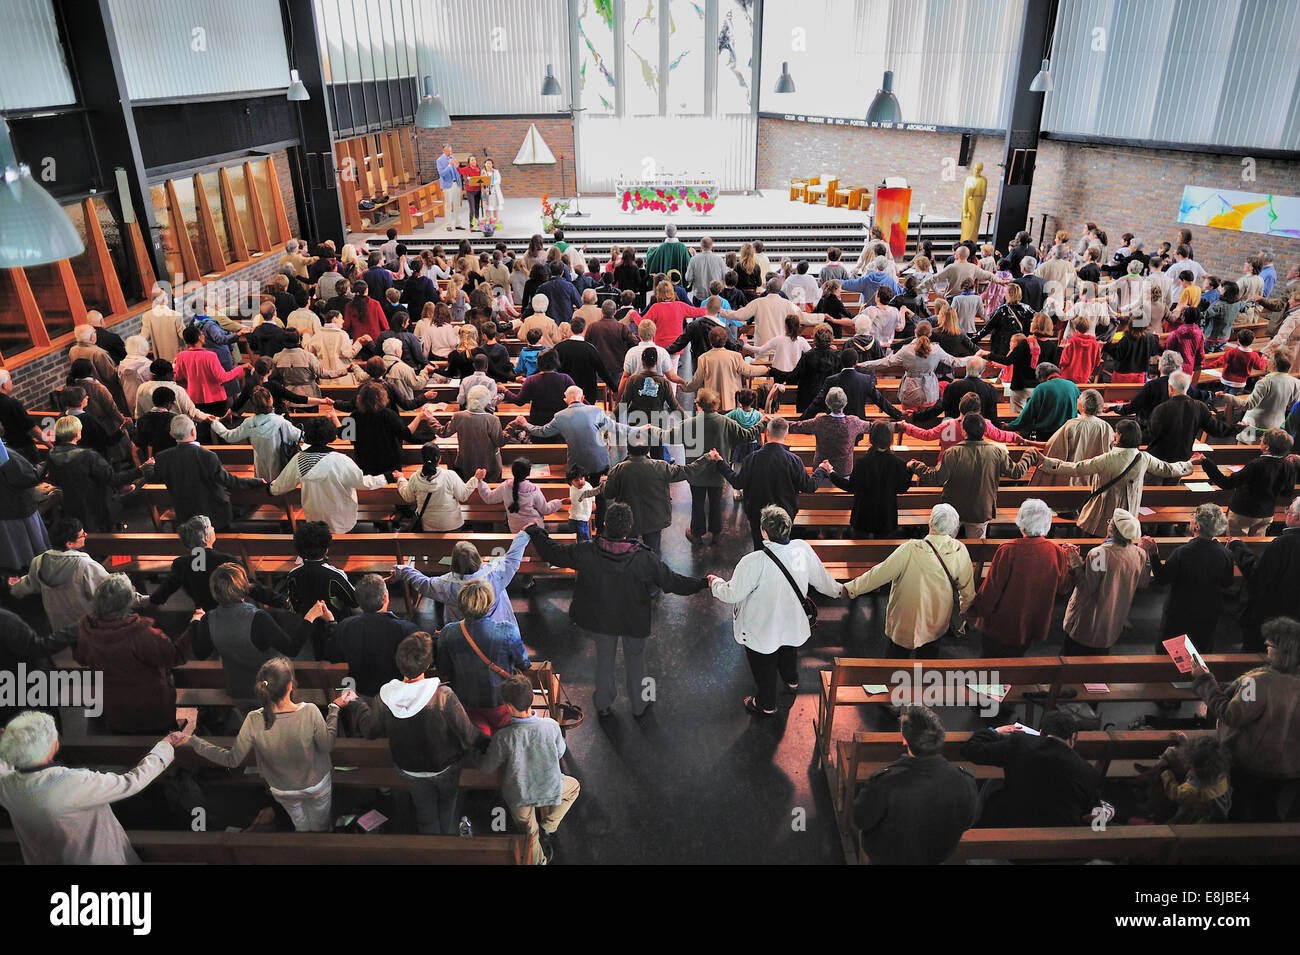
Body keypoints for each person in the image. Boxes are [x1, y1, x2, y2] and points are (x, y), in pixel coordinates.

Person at [525, 502, 704, 718]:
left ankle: (603, 704)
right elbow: (672, 581)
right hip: (633, 619)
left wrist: (535, 530)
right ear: (629, 528)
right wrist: (703, 583)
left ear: (604, 524)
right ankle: (639, 704)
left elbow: (553, 553)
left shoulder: (586, 551)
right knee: (636, 661)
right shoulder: (645, 558)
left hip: (601, 619)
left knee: (604, 661)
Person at [0, 710, 186, 864]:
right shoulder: (72, 782)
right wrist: (165, 746)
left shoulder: (8, 787)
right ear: (53, 745)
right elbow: (133, 782)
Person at [707, 505, 843, 715]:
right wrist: (843, 591)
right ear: (788, 527)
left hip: (763, 627)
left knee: (764, 664)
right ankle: (791, 680)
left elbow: (732, 594)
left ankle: (766, 703)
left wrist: (715, 584)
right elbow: (824, 583)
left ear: (764, 532)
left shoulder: (753, 562)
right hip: (793, 619)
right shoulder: (802, 549)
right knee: (789, 648)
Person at [188, 657, 345, 832]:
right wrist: (334, 709)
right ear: (290, 685)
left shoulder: (253, 719)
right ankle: (321, 843)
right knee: (321, 824)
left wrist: (193, 741)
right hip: (315, 783)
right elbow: (326, 745)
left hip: (282, 788)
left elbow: (231, 760)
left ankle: (304, 838)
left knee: (299, 822)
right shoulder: (309, 711)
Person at [350, 631, 485, 834]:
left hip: (409, 769)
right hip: (445, 766)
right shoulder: (442, 696)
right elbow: (469, 735)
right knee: (448, 803)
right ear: (428, 664)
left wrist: (358, 703)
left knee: (424, 809)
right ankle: (448, 842)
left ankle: (431, 846)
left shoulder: (384, 697)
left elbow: (370, 731)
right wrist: (493, 742)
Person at [1192, 616, 1300, 820]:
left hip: (1252, 764)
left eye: (1271, 643)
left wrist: (1204, 681)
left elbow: (1231, 715)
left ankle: (1238, 847)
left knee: (1240, 810)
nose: (1266, 645)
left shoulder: (1256, 683)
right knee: (1268, 810)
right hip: (1289, 767)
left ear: (1282, 651)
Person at [851, 705, 978, 865]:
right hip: (936, 856)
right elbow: (967, 822)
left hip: (889, 858)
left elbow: (860, 819)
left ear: (905, 740)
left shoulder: (885, 782)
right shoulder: (964, 780)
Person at [845, 504, 975, 658]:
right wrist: (965, 615)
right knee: (926, 671)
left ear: (930, 523)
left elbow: (878, 575)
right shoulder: (960, 550)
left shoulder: (910, 549)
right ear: (954, 529)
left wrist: (850, 588)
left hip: (905, 623)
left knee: (893, 668)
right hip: (937, 620)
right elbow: (967, 591)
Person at [479, 674, 580, 865]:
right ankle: (548, 827)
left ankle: (540, 860)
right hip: (549, 787)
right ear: (531, 699)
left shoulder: (503, 737)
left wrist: (478, 752)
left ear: (508, 707)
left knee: (529, 834)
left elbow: (487, 767)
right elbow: (559, 752)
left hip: (520, 795)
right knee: (573, 787)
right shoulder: (550, 725)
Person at [1038, 418, 1194, 536]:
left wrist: (1047, 463)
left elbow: (1076, 469)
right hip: (1128, 514)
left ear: (1119, 437)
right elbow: (1168, 469)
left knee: (1097, 543)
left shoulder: (1107, 459)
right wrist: (1188, 464)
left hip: (1103, 513)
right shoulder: (1143, 458)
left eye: (1116, 432)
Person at [74, 574, 186, 733]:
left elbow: (81, 658)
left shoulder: (87, 630)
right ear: (127, 602)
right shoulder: (141, 633)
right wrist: (194, 625)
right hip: (153, 713)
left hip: (114, 710)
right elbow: (174, 656)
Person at [651, 388, 764, 545]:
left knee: (697, 504)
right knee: (716, 503)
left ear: (699, 405)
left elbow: (668, 436)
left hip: (696, 473)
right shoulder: (726, 422)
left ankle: (696, 534)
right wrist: (763, 423)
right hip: (718, 473)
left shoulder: (689, 424)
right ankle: (716, 533)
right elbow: (748, 435)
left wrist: (652, 430)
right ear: (716, 405)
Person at [187, 562, 312, 701]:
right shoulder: (258, 618)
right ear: (243, 586)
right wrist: (309, 618)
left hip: (239, 692)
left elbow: (200, 653)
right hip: (271, 692)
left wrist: (196, 622)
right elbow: (291, 648)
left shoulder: (208, 619)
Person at [968, 499, 1076, 657]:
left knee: (990, 665)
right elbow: (1063, 587)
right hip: (1030, 624)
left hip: (1001, 623)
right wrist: (1071, 564)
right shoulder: (1057, 551)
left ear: (1021, 522)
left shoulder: (1008, 549)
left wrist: (975, 611)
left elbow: (992, 589)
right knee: (1015, 662)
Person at [960, 711, 1102, 828]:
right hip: (1059, 846)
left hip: (1015, 829)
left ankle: (975, 826)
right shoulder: (1088, 772)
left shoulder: (1019, 744)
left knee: (992, 786)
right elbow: (1093, 815)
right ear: (1073, 737)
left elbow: (971, 749)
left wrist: (995, 732)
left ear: (1040, 733)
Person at [909, 414, 1040, 539]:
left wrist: (915, 465)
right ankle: (974, 562)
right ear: (983, 432)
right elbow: (1017, 472)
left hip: (953, 509)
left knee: (945, 543)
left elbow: (936, 478)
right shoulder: (996, 452)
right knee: (977, 547)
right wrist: (1028, 454)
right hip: (980, 509)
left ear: (964, 431)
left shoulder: (952, 452)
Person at [710, 416, 830, 550]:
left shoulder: (752, 458)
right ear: (786, 435)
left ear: (767, 433)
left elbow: (737, 483)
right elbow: (809, 486)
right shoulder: (794, 460)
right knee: (782, 548)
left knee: (760, 549)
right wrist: (821, 470)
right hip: (785, 514)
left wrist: (720, 462)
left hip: (758, 515)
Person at [434, 579, 530, 734]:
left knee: (479, 739)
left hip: (465, 701)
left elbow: (444, 668)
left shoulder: (448, 632)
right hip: (500, 701)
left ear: (461, 603)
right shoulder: (507, 631)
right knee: (503, 735)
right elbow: (524, 664)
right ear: (489, 604)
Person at [271, 416, 391, 535]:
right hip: (342, 520)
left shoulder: (299, 459)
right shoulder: (341, 460)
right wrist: (387, 477)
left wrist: (268, 487)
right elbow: (362, 483)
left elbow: (280, 485)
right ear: (331, 435)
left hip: (315, 520)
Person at [1059, 508, 1153, 655]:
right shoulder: (1139, 553)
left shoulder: (1100, 554)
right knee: (1098, 667)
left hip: (1088, 622)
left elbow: (1086, 588)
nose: (1108, 523)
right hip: (1112, 622)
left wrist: (1074, 561)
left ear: (1112, 530)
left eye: (1110, 522)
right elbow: (1143, 582)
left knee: (1072, 661)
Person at [150, 415, 267, 530]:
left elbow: (154, 477)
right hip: (214, 515)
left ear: (172, 434)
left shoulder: (162, 458)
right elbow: (228, 481)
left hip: (185, 515)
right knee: (250, 503)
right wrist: (255, 482)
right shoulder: (207, 456)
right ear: (193, 432)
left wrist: (147, 468)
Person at [1145, 504, 1235, 652]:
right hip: (1208, 611)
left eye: (1193, 517)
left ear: (1197, 527)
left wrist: (1154, 553)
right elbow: (1227, 582)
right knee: (1200, 649)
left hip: (1181, 611)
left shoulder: (1182, 552)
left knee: (1171, 652)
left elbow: (1162, 578)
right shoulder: (1226, 553)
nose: (1191, 519)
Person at [149, 514, 280, 612]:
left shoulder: (181, 564)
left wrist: (149, 599)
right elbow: (252, 587)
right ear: (206, 537)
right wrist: (281, 601)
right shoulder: (228, 561)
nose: (213, 528)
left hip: (205, 616)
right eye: (211, 527)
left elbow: (164, 591)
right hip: (233, 612)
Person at [317, 574, 418, 697]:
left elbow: (332, 655)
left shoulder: (345, 627)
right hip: (397, 695)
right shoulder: (407, 629)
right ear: (386, 597)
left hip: (362, 693)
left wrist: (331, 624)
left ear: (359, 601)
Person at [602, 436, 706, 556]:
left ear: (628, 450)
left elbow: (608, 493)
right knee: (653, 551)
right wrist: (707, 458)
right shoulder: (661, 467)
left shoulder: (618, 470)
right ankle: (653, 571)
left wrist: (604, 483)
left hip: (629, 520)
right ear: (647, 450)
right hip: (654, 519)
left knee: (630, 551)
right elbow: (688, 471)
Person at [9, 518, 109, 631]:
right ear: (69, 544)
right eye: (82, 535)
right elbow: (109, 590)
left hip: (59, 627)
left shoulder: (39, 561)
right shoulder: (86, 565)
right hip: (87, 626)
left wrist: (13, 585)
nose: (86, 535)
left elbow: (30, 584)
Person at [1226, 497, 1300, 652]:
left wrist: (1238, 547)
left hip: (1271, 618)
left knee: (1255, 657)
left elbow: (1257, 575)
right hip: (1295, 619)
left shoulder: (1282, 544)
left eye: (1289, 511)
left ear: (1297, 518)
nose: (1286, 513)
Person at [1200, 429, 1300, 536]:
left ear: (1267, 447)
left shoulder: (1256, 464)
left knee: (1235, 544)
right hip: (1266, 514)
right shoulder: (1288, 466)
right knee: (1255, 546)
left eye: (1263, 439)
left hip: (1243, 513)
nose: (1260, 439)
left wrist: (1205, 462)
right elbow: (1287, 493)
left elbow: (1226, 483)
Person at [825, 421, 916, 538]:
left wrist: (831, 473)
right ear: (890, 439)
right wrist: (910, 471)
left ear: (872, 438)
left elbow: (850, 487)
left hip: (863, 515)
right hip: (886, 516)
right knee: (882, 553)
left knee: (859, 550)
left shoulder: (862, 462)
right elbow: (902, 488)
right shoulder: (898, 463)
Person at [859, 322, 967, 411]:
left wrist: (862, 365)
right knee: (927, 419)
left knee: (908, 418)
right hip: (929, 391)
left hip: (910, 389)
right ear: (930, 334)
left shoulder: (906, 349)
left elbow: (885, 362)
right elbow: (955, 362)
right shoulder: (936, 349)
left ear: (915, 332)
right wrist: (974, 359)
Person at [207, 386, 303, 483]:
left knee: (262, 491)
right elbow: (302, 437)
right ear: (271, 400)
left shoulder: (249, 423)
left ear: (253, 405)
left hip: (261, 472)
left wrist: (215, 423)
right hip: (281, 470)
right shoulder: (281, 423)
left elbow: (229, 436)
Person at [1145, 371, 1232, 467]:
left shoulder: (1161, 409)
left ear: (1170, 388)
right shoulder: (1199, 407)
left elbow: (1151, 433)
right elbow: (1217, 430)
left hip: (1158, 461)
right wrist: (1238, 427)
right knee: (1173, 482)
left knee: (1153, 482)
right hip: (1182, 462)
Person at [394, 442, 485, 533]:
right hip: (452, 525)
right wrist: (476, 478)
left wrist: (400, 479)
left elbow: (408, 497)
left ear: (422, 459)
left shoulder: (415, 477)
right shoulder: (450, 475)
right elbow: (463, 496)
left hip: (427, 527)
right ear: (440, 459)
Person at [1031, 389, 1114, 487]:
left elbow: (1055, 448)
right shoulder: (1106, 427)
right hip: (1097, 480)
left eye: (1079, 399)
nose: (1077, 400)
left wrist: (1028, 442)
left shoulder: (1071, 425)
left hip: (1072, 477)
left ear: (1083, 406)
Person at [681, 323, 769, 412]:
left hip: (712, 403)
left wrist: (685, 387)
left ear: (710, 341)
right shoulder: (735, 356)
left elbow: (697, 381)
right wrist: (766, 369)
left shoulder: (703, 358)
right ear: (725, 340)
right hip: (732, 401)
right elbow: (750, 370)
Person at [787, 387, 872, 477]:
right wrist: (888, 425)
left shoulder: (819, 421)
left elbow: (796, 426)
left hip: (821, 469)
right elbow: (873, 427)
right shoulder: (854, 422)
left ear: (827, 404)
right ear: (845, 403)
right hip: (844, 471)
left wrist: (774, 422)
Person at [281, 520, 358, 617]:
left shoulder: (293, 574)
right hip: (336, 623)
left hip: (308, 623)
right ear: (326, 549)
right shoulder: (336, 575)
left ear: (299, 550)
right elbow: (354, 601)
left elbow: (295, 605)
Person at [1004, 363, 1080, 441]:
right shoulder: (1072, 386)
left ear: (1041, 377)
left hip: (1047, 435)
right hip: (1069, 433)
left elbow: (1028, 413)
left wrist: (1011, 426)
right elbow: (1079, 409)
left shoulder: (1041, 388)